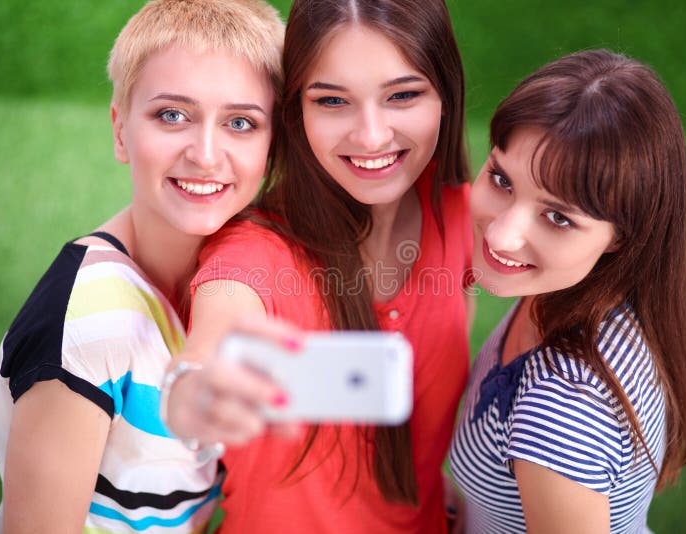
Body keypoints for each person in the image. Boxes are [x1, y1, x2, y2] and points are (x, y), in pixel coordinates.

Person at [162, 0, 474, 531]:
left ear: (445, 94)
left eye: (403, 95)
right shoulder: (254, 250)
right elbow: (203, 356)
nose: (372, 136)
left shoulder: (461, 215)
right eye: (333, 101)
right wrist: (193, 395)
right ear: (296, 113)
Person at [0, 0, 284, 531]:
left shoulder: (243, 271)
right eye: (172, 115)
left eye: (241, 122)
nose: (207, 153)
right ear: (121, 130)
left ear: (273, 145)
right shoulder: (89, 324)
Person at [449, 49, 686, 533]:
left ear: (623, 237)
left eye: (558, 217)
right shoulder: (584, 291)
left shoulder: (560, 410)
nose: (501, 236)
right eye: (502, 179)